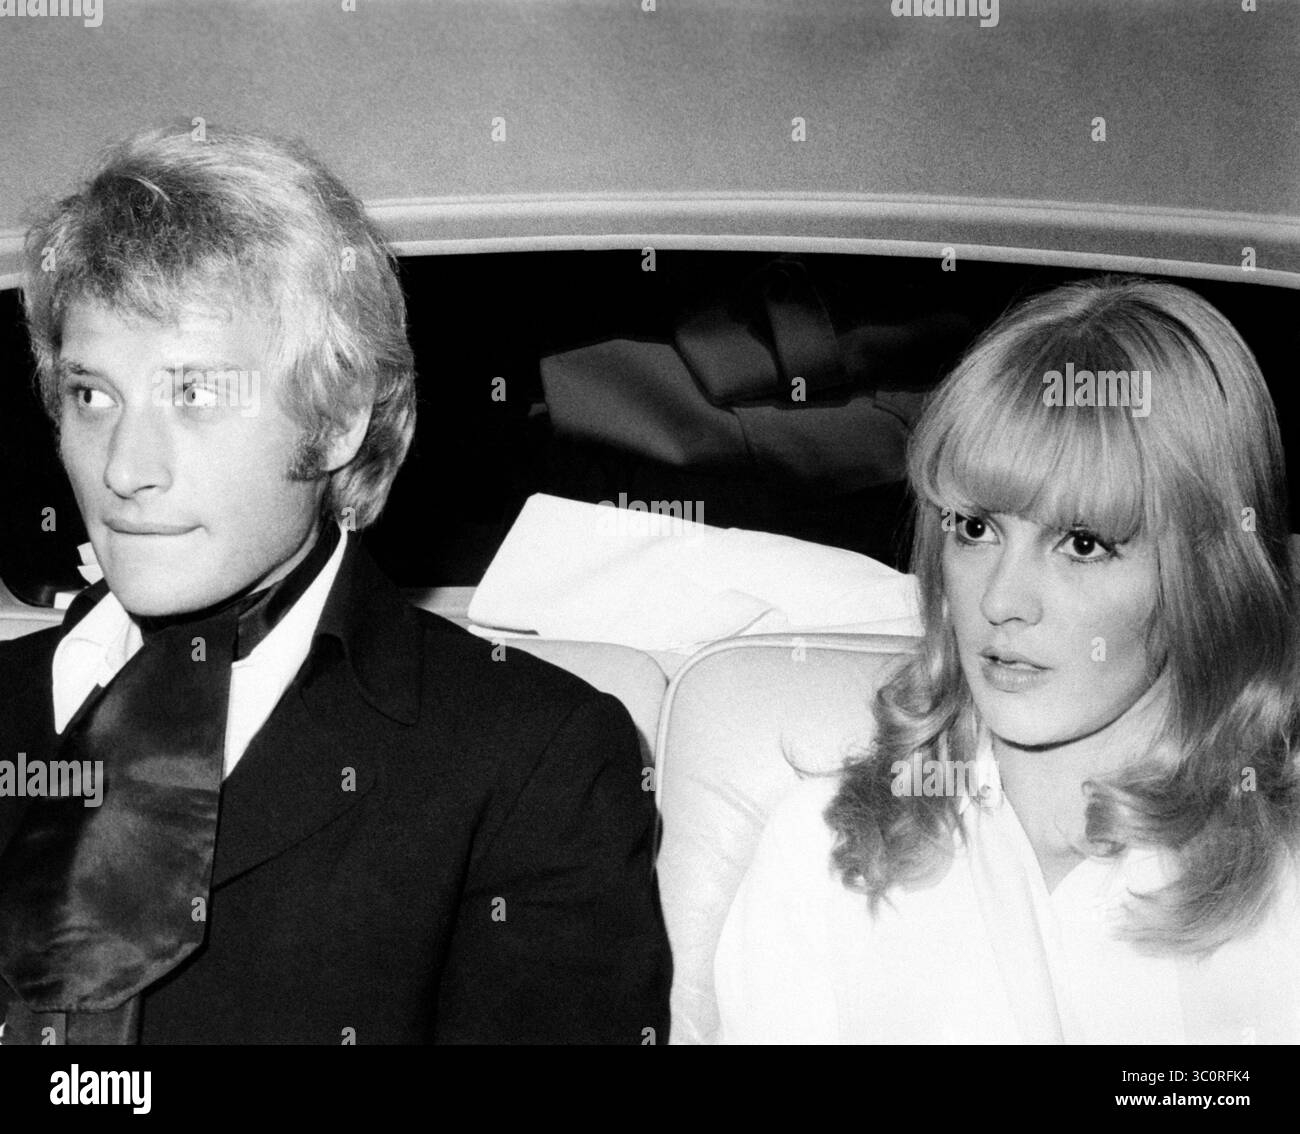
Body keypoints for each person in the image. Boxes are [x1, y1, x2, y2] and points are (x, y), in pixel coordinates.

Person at [0, 125, 671, 1044]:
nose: (124, 467)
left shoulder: (530, 760)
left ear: (339, 420)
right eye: (92, 395)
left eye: (195, 393)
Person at [715, 276, 1300, 1044]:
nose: (1002, 599)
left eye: (1082, 543)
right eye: (977, 529)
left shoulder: (1280, 890)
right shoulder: (824, 858)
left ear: (1208, 574)